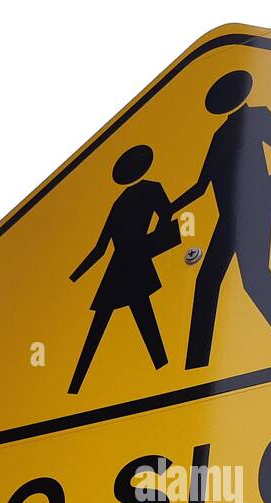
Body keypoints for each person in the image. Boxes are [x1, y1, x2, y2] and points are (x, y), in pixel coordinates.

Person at [171, 70, 271, 370]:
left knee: (255, 279)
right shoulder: (218, 136)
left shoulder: (257, 117)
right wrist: (171, 208)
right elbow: (202, 185)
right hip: (228, 216)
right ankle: (196, 367)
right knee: (207, 279)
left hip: (254, 208)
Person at [68, 143, 178, 395]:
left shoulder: (140, 193)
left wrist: (152, 244)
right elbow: (101, 248)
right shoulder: (126, 199)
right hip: (125, 264)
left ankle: (165, 373)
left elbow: (166, 215)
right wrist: (73, 279)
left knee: (137, 318)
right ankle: (75, 386)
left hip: (125, 264)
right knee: (126, 318)